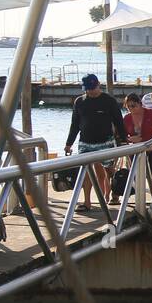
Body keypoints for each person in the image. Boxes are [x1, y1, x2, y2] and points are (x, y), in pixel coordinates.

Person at [65, 73, 126, 213]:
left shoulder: (109, 101)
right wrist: (69, 143)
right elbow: (75, 124)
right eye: (87, 88)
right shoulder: (79, 101)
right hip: (85, 142)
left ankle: (113, 194)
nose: (90, 91)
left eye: (92, 88)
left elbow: (118, 121)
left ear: (98, 85)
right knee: (85, 172)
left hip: (105, 141)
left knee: (109, 170)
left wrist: (123, 140)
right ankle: (87, 202)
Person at [123, 92, 152, 182]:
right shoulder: (127, 118)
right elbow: (122, 136)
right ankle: (138, 194)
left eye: (133, 106)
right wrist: (129, 139)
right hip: (135, 150)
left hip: (151, 147)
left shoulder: (150, 113)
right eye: (128, 107)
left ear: (140, 103)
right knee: (135, 176)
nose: (131, 109)